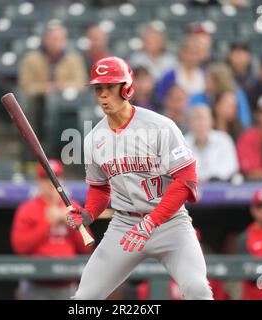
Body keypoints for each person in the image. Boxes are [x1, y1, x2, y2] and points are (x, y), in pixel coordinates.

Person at [66, 57, 213, 300]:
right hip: (124, 225)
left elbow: (186, 181)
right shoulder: (94, 139)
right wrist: (88, 213)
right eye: (98, 89)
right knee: (84, 299)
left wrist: (152, 221)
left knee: (198, 290)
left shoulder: (160, 126)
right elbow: (100, 189)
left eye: (109, 88)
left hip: (170, 224)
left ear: (126, 88)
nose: (103, 95)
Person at [11, 160, 94, 300]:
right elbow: (20, 247)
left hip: (67, 284)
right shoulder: (28, 208)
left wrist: (71, 224)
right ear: (38, 181)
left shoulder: (72, 208)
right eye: (46, 178)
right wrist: (47, 223)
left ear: (62, 180)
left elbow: (87, 248)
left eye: (55, 178)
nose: (51, 183)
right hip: (35, 284)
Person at [18, 22, 87, 138]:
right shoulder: (31, 58)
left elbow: (82, 83)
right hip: (39, 101)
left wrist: (63, 85)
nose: (57, 42)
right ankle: (35, 142)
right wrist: (45, 88)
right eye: (54, 38)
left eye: (61, 39)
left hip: (66, 100)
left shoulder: (74, 58)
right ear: (45, 39)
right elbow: (25, 85)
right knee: (31, 104)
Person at [185, 105, 239, 183]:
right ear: (189, 122)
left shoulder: (224, 139)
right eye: (196, 119)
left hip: (220, 186)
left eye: (204, 119)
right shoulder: (183, 143)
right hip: (191, 188)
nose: (200, 123)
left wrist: (209, 178)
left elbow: (231, 167)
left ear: (212, 121)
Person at [190, 62, 252, 128]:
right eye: (206, 78)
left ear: (219, 81)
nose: (206, 82)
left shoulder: (237, 95)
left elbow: (245, 121)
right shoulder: (198, 97)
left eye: (209, 79)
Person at [155, 36, 205, 102]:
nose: (193, 57)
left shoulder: (203, 74)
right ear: (182, 53)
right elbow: (161, 96)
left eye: (196, 54)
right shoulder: (171, 74)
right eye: (190, 53)